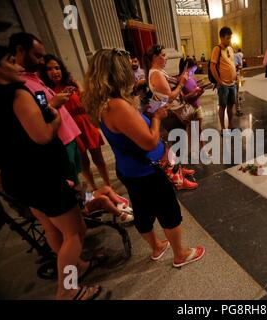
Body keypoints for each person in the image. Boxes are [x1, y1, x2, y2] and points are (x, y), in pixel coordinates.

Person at [83, 48, 205, 268]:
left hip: (129, 168)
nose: (132, 70)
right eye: (126, 67)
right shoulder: (118, 106)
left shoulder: (104, 102)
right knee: (168, 211)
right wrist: (157, 118)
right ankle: (180, 254)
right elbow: (149, 141)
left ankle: (157, 247)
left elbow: (127, 130)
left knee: (143, 210)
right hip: (147, 170)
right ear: (118, 72)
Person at [0, 45, 101, 300]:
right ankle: (67, 290)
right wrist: (54, 116)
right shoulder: (16, 93)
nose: (18, 66)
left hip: (18, 177)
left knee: (52, 228)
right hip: (41, 175)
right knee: (75, 231)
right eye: (11, 61)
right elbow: (42, 135)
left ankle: (75, 267)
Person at [8, 32, 82, 186]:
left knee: (76, 177)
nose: (42, 61)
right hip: (60, 141)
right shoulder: (19, 84)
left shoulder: (33, 76)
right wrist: (54, 103)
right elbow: (35, 119)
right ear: (20, 51)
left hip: (69, 136)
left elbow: (42, 102)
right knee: (71, 184)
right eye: (37, 56)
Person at [40, 54, 111, 191]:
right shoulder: (46, 91)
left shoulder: (70, 85)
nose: (55, 72)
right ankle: (94, 188)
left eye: (57, 68)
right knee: (84, 162)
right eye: (50, 69)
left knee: (99, 158)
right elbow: (44, 110)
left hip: (85, 123)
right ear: (44, 72)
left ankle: (108, 186)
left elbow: (87, 102)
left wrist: (78, 85)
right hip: (69, 127)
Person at [143, 45, 199, 190]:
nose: (166, 57)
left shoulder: (158, 72)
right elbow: (169, 97)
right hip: (170, 113)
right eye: (162, 55)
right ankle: (179, 181)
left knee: (178, 145)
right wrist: (182, 83)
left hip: (173, 112)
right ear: (155, 57)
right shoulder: (156, 74)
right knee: (176, 147)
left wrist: (180, 79)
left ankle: (179, 170)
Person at [210, 26, 237, 135]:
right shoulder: (217, 49)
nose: (229, 40)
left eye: (230, 38)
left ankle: (230, 124)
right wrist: (219, 81)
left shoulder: (230, 49)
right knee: (223, 106)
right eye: (227, 38)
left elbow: (231, 63)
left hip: (232, 83)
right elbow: (212, 66)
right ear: (221, 37)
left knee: (231, 105)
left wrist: (235, 75)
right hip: (224, 84)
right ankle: (223, 128)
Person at [178, 57, 206, 152]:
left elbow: (195, 91)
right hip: (190, 108)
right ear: (187, 67)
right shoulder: (181, 79)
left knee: (199, 130)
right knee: (192, 130)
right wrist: (195, 91)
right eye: (193, 69)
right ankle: (192, 150)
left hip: (197, 106)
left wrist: (200, 90)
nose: (194, 71)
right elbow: (184, 98)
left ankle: (202, 149)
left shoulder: (192, 77)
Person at [234, 48, 243, 116]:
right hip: (230, 77)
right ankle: (237, 110)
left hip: (235, 76)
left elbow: (240, 66)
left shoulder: (236, 56)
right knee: (234, 94)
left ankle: (238, 109)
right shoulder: (236, 55)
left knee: (236, 94)